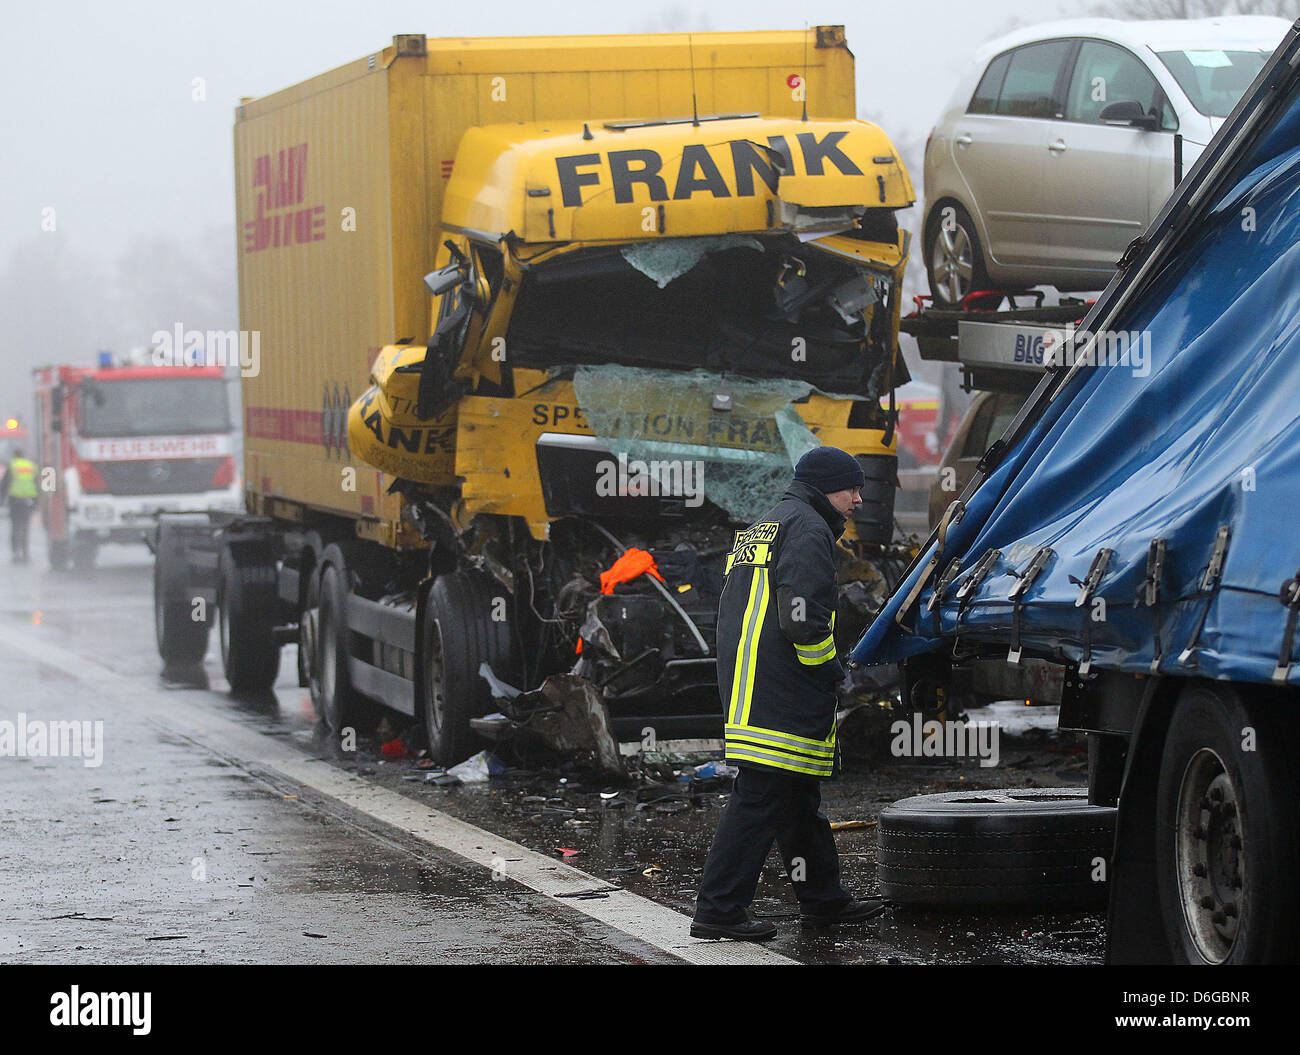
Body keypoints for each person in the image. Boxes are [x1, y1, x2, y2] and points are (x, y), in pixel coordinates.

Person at [692, 445, 886, 941]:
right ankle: (718, 910)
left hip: (753, 680)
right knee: (760, 796)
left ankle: (822, 899)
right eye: (851, 488)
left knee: (797, 795)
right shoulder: (808, 528)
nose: (859, 499)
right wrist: (831, 672)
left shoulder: (770, 522)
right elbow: (802, 621)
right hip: (781, 684)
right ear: (825, 487)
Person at [0, 447, 38, 563]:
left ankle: (16, 551)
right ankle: (25, 551)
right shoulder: (31, 466)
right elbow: (37, 483)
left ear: (15, 455)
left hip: (15, 500)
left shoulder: (13, 466)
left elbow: (4, 485)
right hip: (29, 500)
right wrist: (37, 502)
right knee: (25, 526)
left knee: (16, 526)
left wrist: (1, 501)